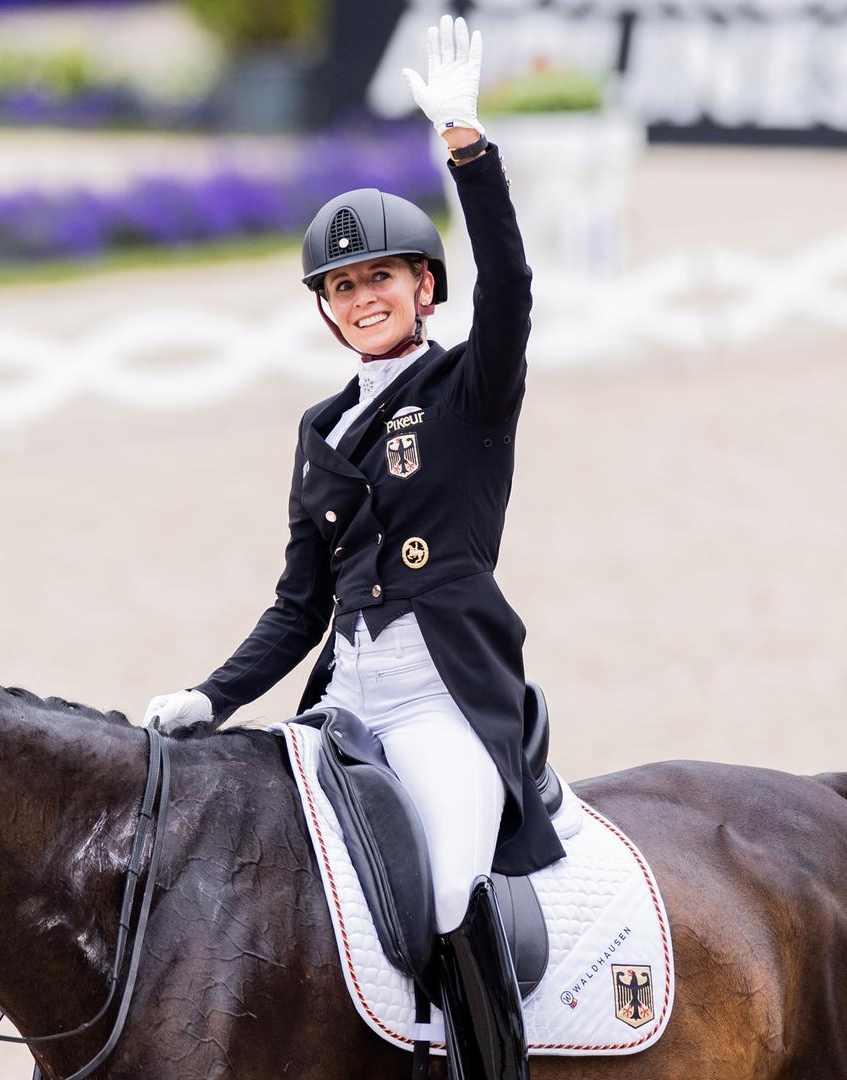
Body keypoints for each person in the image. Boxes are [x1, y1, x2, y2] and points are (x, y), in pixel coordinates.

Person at [143, 17, 559, 1080]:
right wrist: (210, 697)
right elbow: (298, 606)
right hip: (344, 704)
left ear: (424, 286)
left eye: (384, 278)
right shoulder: (320, 431)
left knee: (454, 883)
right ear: (327, 310)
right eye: (343, 287)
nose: (365, 297)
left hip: (445, 699)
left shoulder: (469, 390)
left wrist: (467, 146)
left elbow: (510, 285)